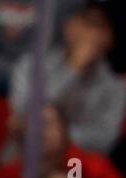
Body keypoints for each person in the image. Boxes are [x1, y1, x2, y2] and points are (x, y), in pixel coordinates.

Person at [10, 2, 126, 156]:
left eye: (103, 28)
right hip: (24, 157)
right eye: (90, 24)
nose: (94, 34)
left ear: (109, 39)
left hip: (76, 162)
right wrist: (73, 70)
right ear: (69, 26)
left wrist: (59, 137)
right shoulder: (31, 65)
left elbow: (104, 140)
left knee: (72, 175)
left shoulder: (114, 85)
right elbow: (24, 118)